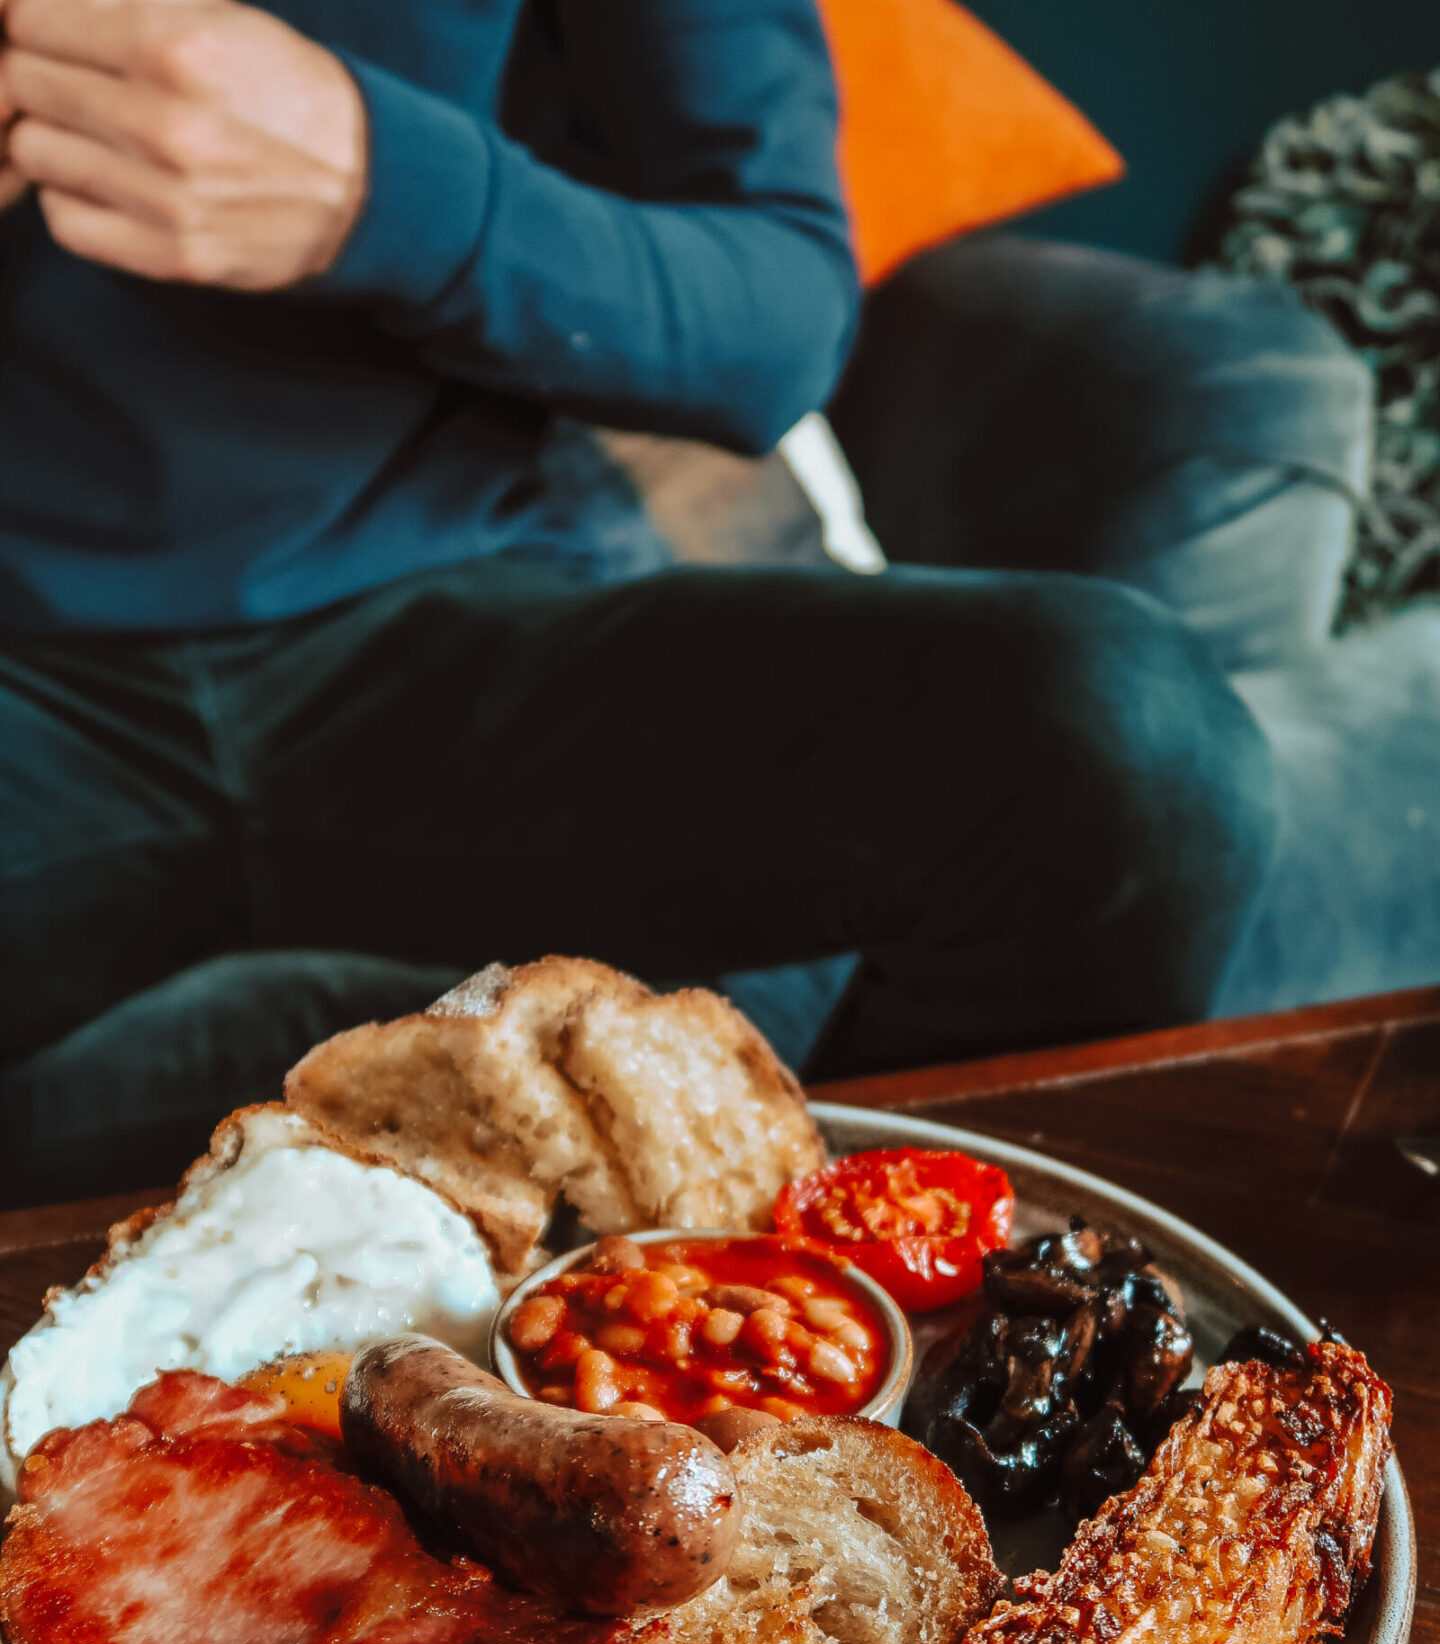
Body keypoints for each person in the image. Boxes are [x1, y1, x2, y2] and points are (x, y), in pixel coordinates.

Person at [0, 0, 1365, 1203]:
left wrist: (382, 192)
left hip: (440, 641)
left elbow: (774, 323)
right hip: (32, 691)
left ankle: (870, 1363)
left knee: (1126, 739)